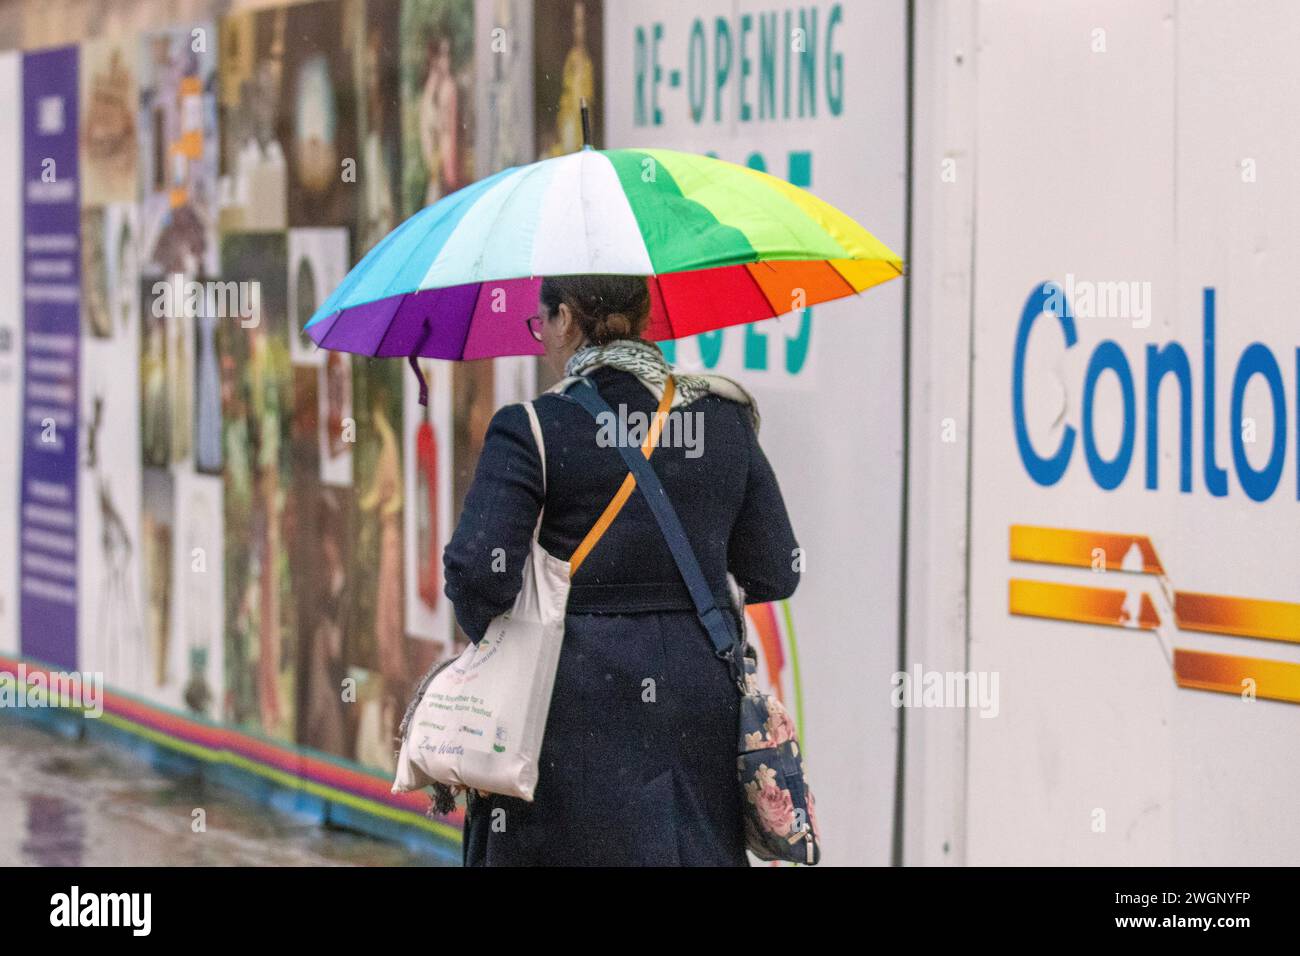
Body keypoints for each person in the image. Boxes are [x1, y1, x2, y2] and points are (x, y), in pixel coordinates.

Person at [442, 274, 801, 866]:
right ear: (643, 315)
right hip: (698, 700)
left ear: (562, 319)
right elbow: (775, 571)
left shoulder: (533, 428)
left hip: (567, 710)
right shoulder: (723, 418)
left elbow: (479, 575)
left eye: (541, 325)